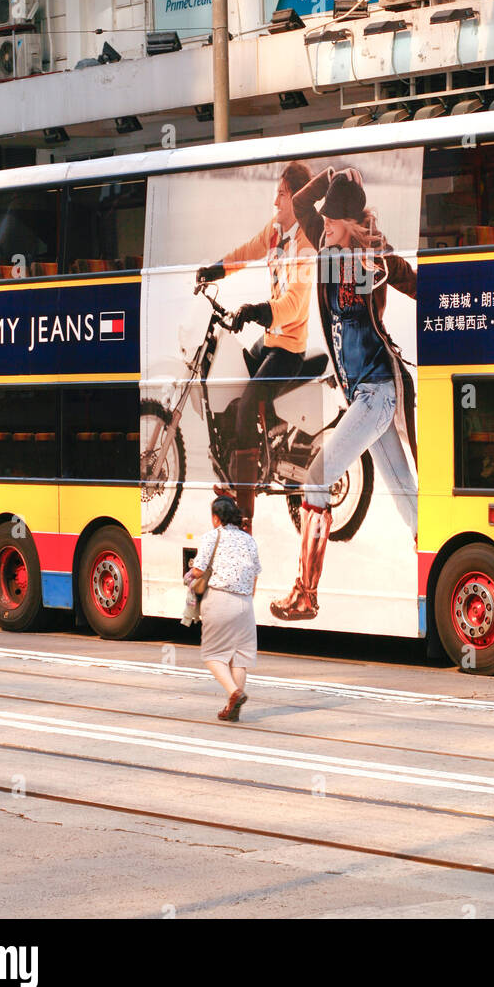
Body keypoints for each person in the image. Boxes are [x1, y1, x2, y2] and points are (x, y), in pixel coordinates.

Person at [270, 166, 417, 622]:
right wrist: (329, 175)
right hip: (365, 395)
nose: (324, 224)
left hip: (380, 390)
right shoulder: (327, 248)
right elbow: (299, 206)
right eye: (325, 219)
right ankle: (437, 566)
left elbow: (420, 286)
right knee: (409, 500)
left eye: (334, 220)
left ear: (352, 224)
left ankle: (305, 594)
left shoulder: (373, 257)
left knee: (316, 477)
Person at [196, 161, 315, 532]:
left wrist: (257, 311)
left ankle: (243, 517)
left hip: (288, 351)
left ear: (296, 198)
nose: (274, 199)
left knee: (249, 401)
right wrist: (215, 270)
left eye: (280, 193)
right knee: (233, 385)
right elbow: (247, 251)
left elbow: (294, 305)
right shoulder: (277, 231)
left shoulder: (305, 246)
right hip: (269, 341)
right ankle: (237, 477)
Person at [185, 495, 261, 721]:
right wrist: (248, 597)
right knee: (239, 657)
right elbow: (256, 572)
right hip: (246, 604)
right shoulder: (249, 540)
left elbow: (198, 570)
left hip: (220, 599)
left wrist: (188, 575)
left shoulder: (213, 536)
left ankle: (234, 693)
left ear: (216, 517)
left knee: (212, 654)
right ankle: (232, 709)